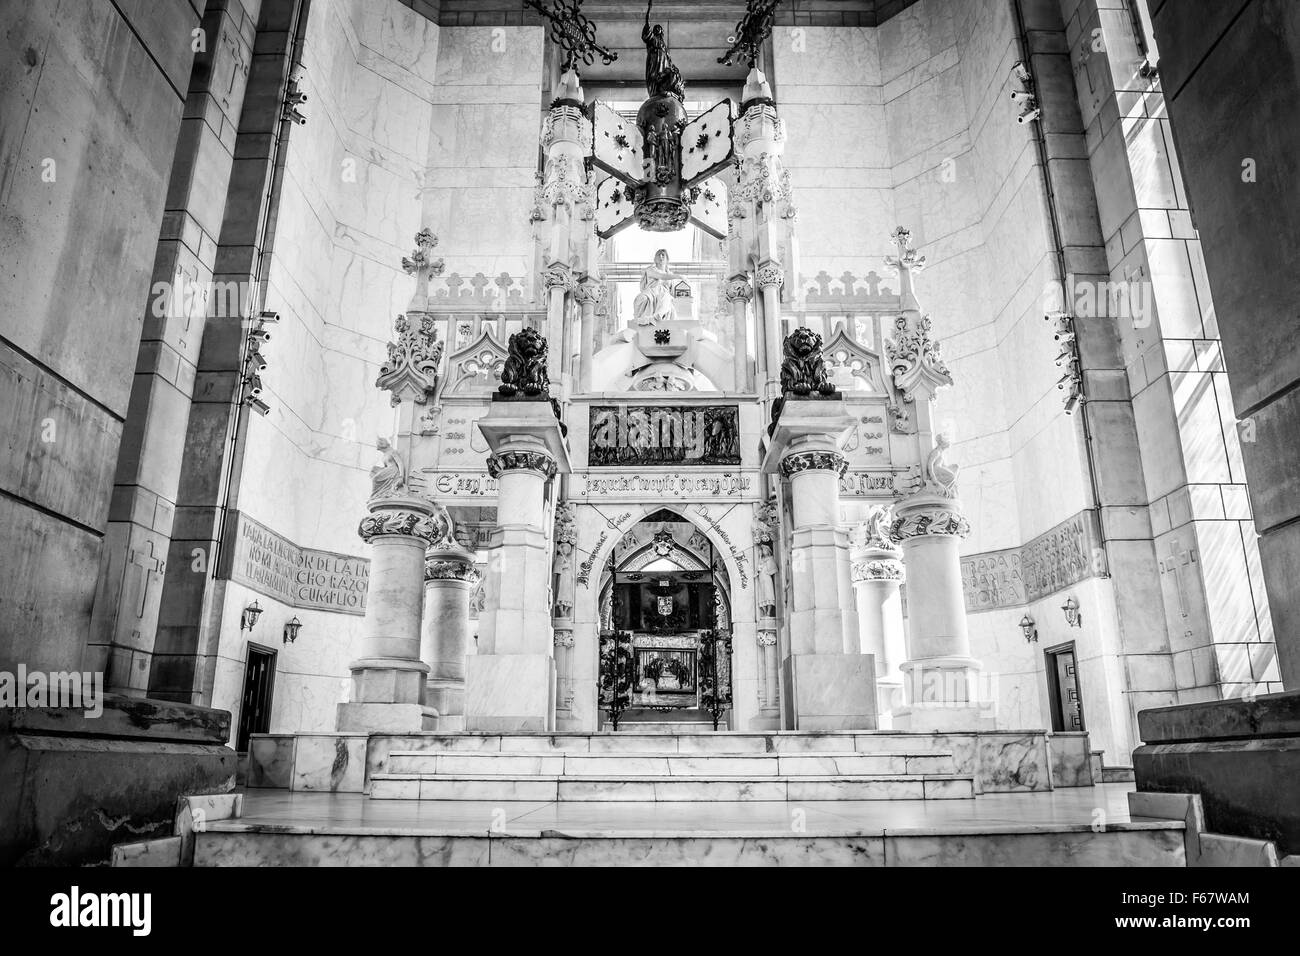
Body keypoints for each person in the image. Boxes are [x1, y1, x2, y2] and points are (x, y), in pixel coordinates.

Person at [633, 249, 685, 326]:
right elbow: (661, 276)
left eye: (663, 255)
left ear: (667, 259)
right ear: (655, 259)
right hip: (651, 292)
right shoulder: (650, 270)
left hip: (664, 293)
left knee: (665, 297)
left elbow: (674, 291)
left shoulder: (670, 274)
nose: (661, 256)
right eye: (658, 255)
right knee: (642, 298)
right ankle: (648, 318)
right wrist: (679, 276)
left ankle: (656, 317)